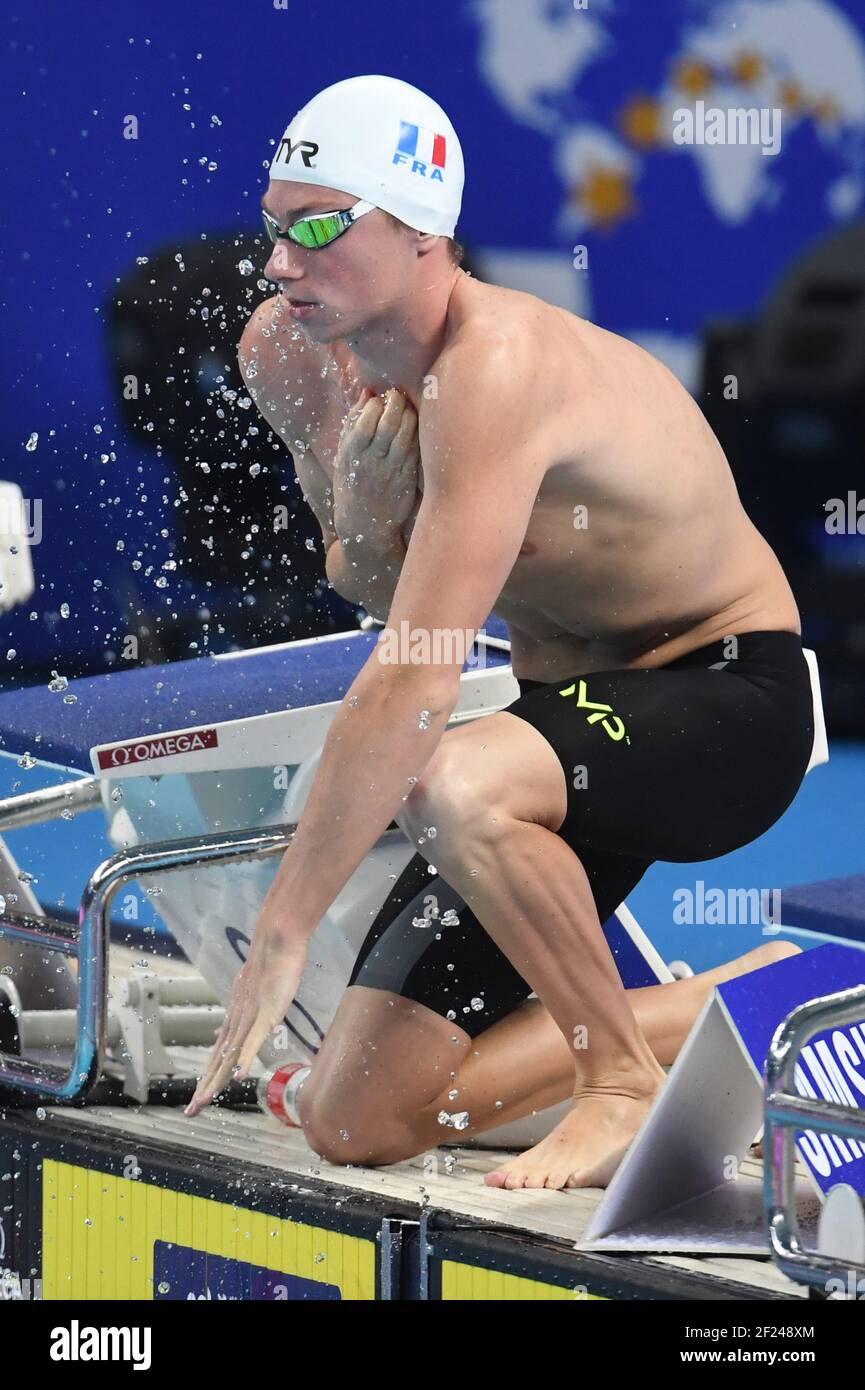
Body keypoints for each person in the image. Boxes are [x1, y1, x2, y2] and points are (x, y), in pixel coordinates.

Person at [185, 75, 814, 1191]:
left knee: (454, 780)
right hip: (560, 738)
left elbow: (415, 676)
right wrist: (372, 520)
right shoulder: (285, 354)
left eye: (320, 229)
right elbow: (372, 580)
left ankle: (614, 1078)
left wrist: (287, 922)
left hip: (724, 701)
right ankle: (741, 1000)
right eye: (275, 226)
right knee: (359, 1116)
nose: (280, 262)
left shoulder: (498, 368)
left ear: (423, 233)